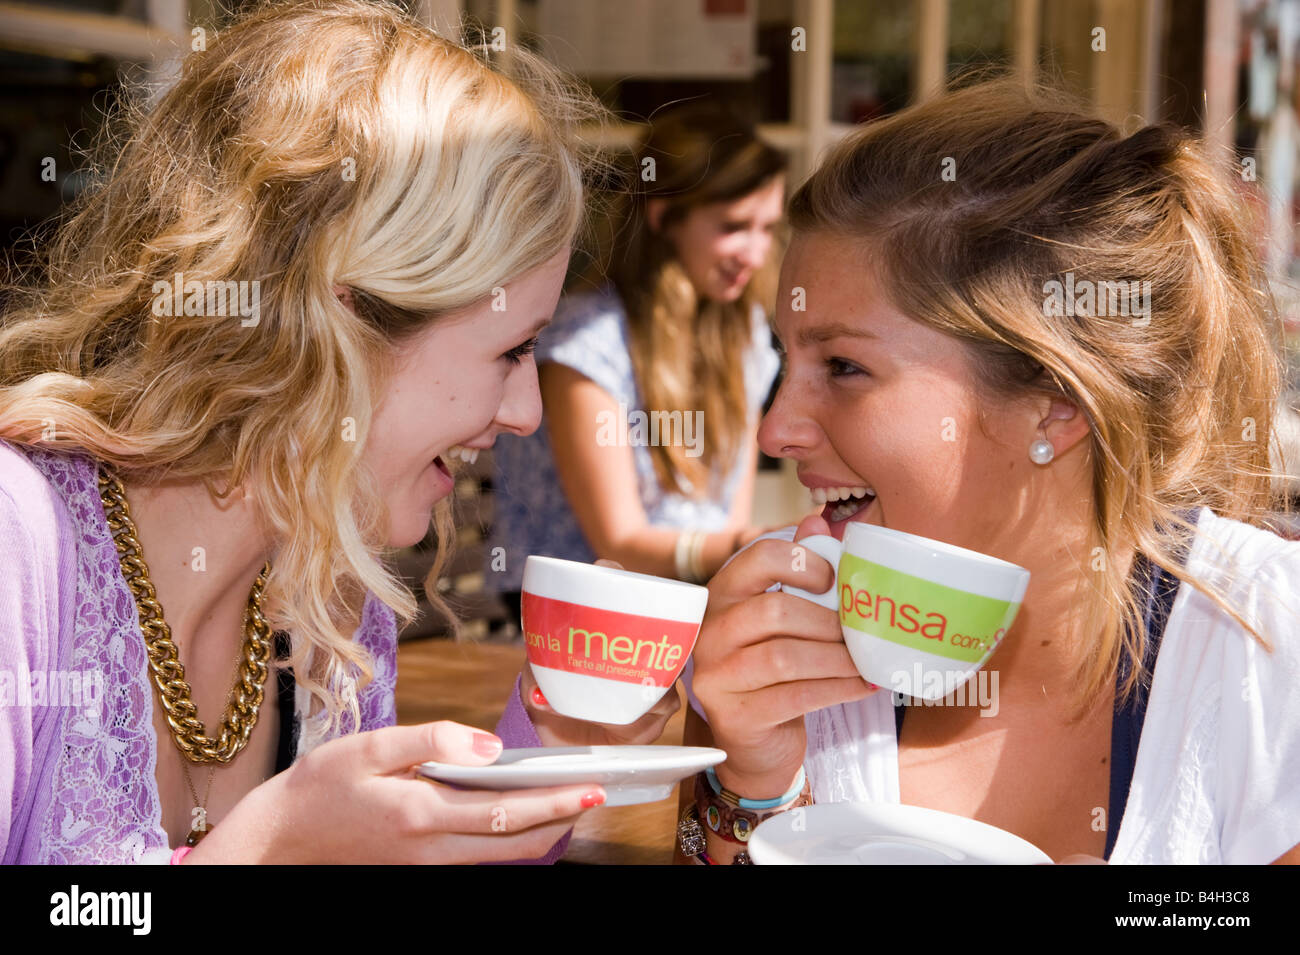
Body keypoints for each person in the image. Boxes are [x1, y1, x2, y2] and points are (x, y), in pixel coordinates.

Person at [0, 0, 675, 866]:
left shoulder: (330, 600)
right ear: (337, 331)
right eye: (512, 349)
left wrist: (554, 745)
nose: (527, 413)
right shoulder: (24, 549)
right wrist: (268, 846)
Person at [675, 77, 1300, 865]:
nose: (776, 428)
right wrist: (749, 781)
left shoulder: (1266, 641)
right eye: (785, 358)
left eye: (842, 365)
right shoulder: (780, 638)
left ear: (1056, 404)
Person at [487, 102, 785, 626]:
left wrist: (744, 553)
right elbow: (619, 545)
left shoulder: (746, 336)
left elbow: (727, 518)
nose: (757, 254)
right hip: (574, 619)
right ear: (664, 216)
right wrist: (742, 548)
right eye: (736, 226)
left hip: (682, 608)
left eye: (769, 228)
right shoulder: (589, 344)